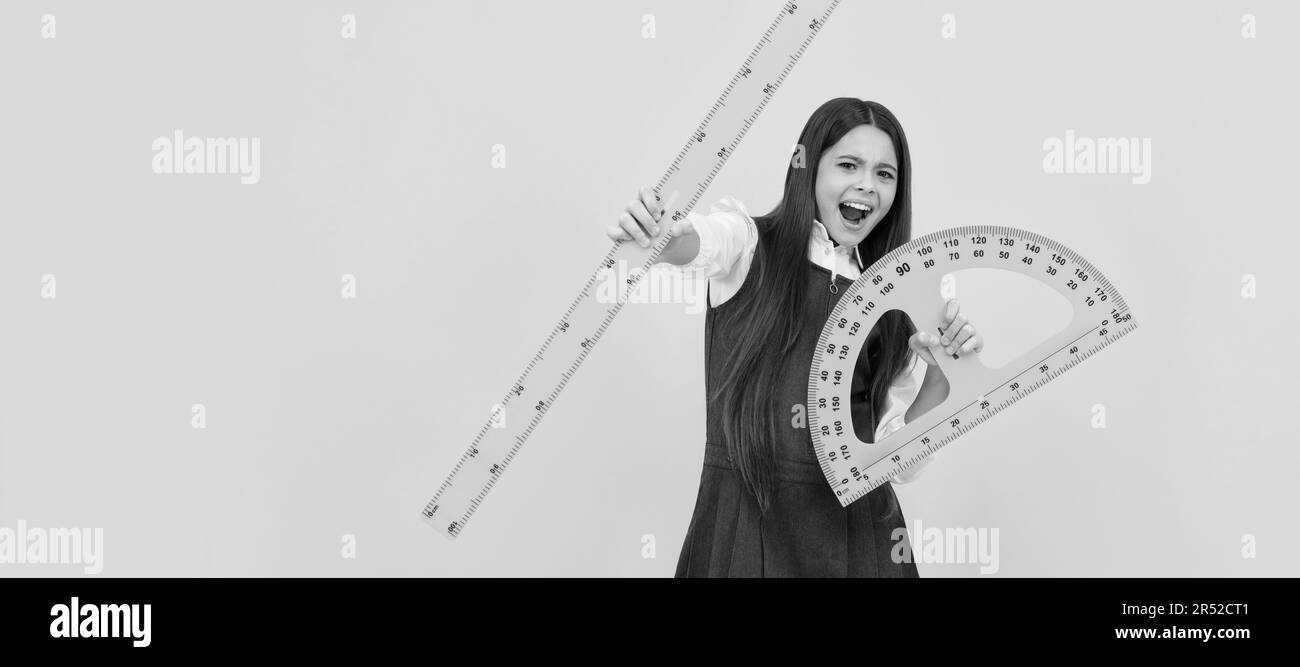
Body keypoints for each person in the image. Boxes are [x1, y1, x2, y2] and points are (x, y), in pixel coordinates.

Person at [606, 98, 984, 577]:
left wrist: (939, 376)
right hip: (747, 527)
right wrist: (660, 236)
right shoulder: (746, 246)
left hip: (860, 540)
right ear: (807, 169)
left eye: (885, 174)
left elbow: (897, 463)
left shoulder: (895, 306)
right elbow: (693, 243)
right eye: (849, 165)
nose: (867, 184)